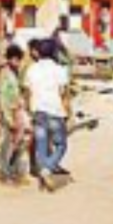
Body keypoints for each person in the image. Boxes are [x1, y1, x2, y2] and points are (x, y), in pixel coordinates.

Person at [25, 39, 72, 191]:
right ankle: (47, 169)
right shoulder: (59, 69)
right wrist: (69, 112)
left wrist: (29, 109)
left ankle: (43, 173)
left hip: (38, 111)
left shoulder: (31, 69)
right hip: (55, 111)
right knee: (61, 145)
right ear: (54, 52)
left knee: (41, 145)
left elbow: (28, 92)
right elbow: (64, 93)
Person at [0, 45, 24, 183]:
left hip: (14, 110)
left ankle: (12, 171)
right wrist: (7, 115)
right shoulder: (5, 73)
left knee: (16, 141)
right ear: (13, 58)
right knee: (7, 143)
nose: (19, 62)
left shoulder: (13, 71)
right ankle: (6, 172)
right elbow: (2, 95)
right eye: (18, 59)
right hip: (7, 111)